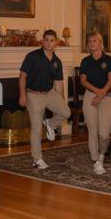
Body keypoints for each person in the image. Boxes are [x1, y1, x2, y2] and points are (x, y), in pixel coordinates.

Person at [18, 29, 70, 169]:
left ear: (56, 43)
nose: (48, 43)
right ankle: (37, 159)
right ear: (43, 41)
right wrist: (22, 95)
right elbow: (22, 76)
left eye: (51, 40)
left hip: (49, 93)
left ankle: (50, 124)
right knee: (36, 129)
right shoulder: (32, 56)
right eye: (46, 40)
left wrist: (62, 102)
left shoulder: (56, 61)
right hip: (33, 95)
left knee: (66, 112)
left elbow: (59, 83)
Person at [77, 31, 111, 174]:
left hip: (105, 97)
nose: (92, 43)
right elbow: (83, 81)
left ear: (100, 43)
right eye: (89, 41)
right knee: (92, 130)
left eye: (95, 40)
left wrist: (101, 94)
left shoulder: (110, 60)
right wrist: (97, 92)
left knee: (105, 133)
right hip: (90, 96)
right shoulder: (85, 61)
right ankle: (96, 160)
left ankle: (102, 154)